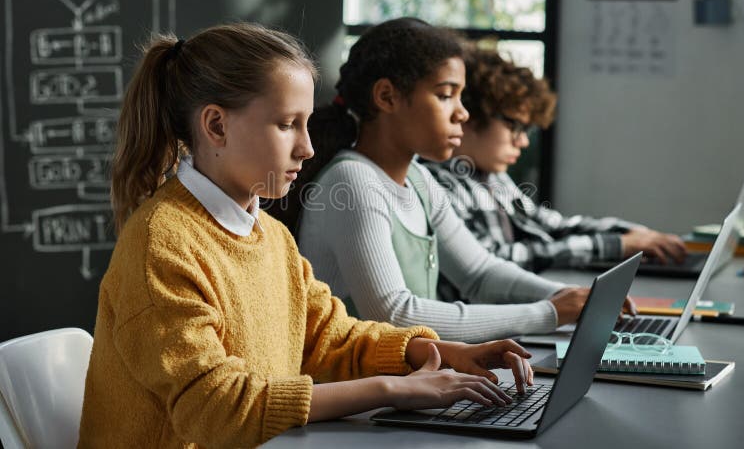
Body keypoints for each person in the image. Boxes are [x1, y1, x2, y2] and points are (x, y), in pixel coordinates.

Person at [78, 23, 538, 448]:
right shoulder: (160, 243)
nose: (308, 147)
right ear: (216, 125)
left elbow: (328, 338)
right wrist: (393, 389)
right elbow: (217, 408)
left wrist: (438, 351)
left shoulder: (270, 236)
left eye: (305, 123)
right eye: (286, 125)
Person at [291, 18, 635, 344]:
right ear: (387, 97)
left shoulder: (418, 179)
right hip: (355, 387)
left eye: (460, 96)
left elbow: (479, 273)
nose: (462, 113)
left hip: (405, 379)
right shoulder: (353, 182)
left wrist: (566, 296)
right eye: (445, 95)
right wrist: (550, 313)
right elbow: (395, 315)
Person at [422, 46, 687, 276]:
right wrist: (617, 246)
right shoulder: (438, 183)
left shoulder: (492, 178)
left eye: (527, 131)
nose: (522, 141)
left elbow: (553, 225)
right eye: (515, 126)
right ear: (472, 117)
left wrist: (637, 235)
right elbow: (493, 261)